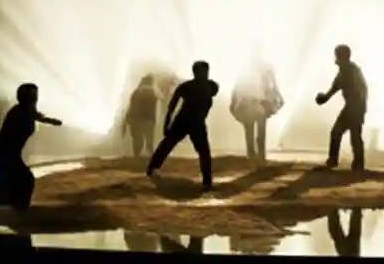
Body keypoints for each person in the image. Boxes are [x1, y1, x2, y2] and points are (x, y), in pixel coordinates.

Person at [0, 83, 62, 209]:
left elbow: (36, 116)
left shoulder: (28, 112)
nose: (35, 98)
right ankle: (4, 207)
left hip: (11, 154)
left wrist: (50, 121)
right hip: (4, 154)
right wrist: (50, 121)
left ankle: (4, 203)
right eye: (32, 95)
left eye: (35, 94)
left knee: (21, 182)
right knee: (22, 181)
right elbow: (30, 117)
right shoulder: (18, 111)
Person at [147, 61, 219, 190]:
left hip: (193, 122)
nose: (203, 75)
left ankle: (207, 181)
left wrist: (167, 123)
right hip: (185, 120)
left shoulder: (208, 86)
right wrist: (166, 123)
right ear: (195, 73)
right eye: (201, 72)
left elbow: (172, 106)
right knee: (168, 145)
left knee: (203, 152)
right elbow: (172, 106)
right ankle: (152, 169)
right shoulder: (190, 87)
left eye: (204, 72)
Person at [316, 44, 368, 171]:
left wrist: (324, 98)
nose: (335, 59)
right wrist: (325, 97)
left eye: (337, 55)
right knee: (349, 134)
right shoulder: (348, 70)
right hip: (354, 106)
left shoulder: (350, 71)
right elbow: (335, 88)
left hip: (355, 107)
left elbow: (356, 90)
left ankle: (351, 163)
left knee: (348, 134)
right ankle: (355, 163)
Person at [230, 55, 283, 163]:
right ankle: (259, 154)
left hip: (252, 99)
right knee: (259, 128)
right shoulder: (264, 68)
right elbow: (273, 84)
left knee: (250, 128)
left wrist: (234, 99)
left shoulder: (247, 68)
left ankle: (253, 154)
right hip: (259, 100)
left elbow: (237, 84)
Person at [121, 75, 160, 158]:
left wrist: (127, 119)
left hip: (137, 119)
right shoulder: (153, 93)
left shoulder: (138, 92)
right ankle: (151, 158)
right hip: (148, 119)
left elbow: (132, 106)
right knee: (149, 140)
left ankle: (137, 157)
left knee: (138, 140)